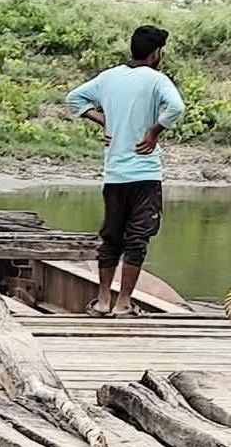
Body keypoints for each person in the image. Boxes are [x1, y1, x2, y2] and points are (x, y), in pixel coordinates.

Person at [66, 25, 185, 317]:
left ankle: (103, 300)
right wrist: (155, 131)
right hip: (145, 174)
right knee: (137, 239)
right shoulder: (156, 80)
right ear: (156, 53)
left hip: (115, 174)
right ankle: (123, 304)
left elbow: (74, 99)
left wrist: (104, 120)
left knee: (111, 238)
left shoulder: (108, 78)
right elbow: (177, 108)